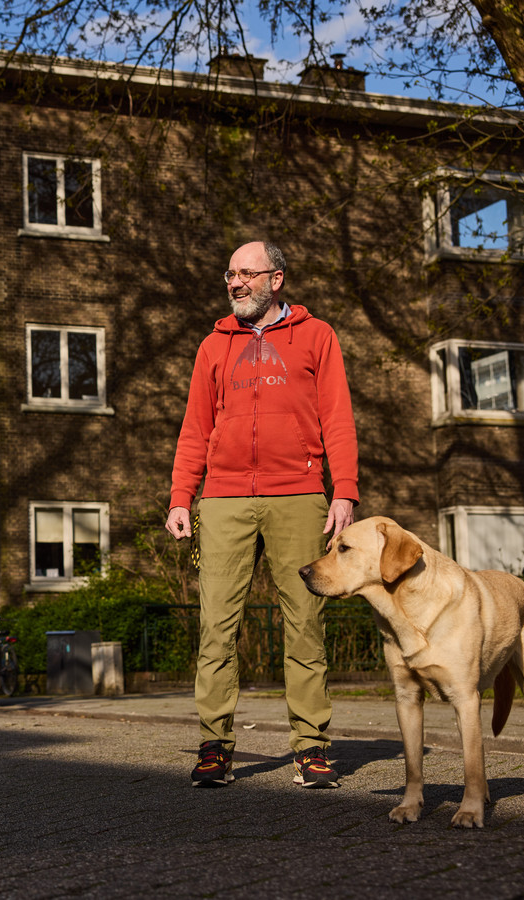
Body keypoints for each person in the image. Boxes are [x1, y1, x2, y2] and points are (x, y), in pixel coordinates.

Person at [165, 240, 358, 789]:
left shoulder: (316, 337)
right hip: (223, 498)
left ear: (276, 279)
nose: (236, 282)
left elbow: (337, 417)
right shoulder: (212, 347)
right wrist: (183, 496)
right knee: (216, 628)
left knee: (305, 625)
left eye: (247, 273)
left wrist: (343, 489)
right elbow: (195, 428)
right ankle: (215, 746)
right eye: (230, 274)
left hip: (299, 493)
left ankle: (312, 748)